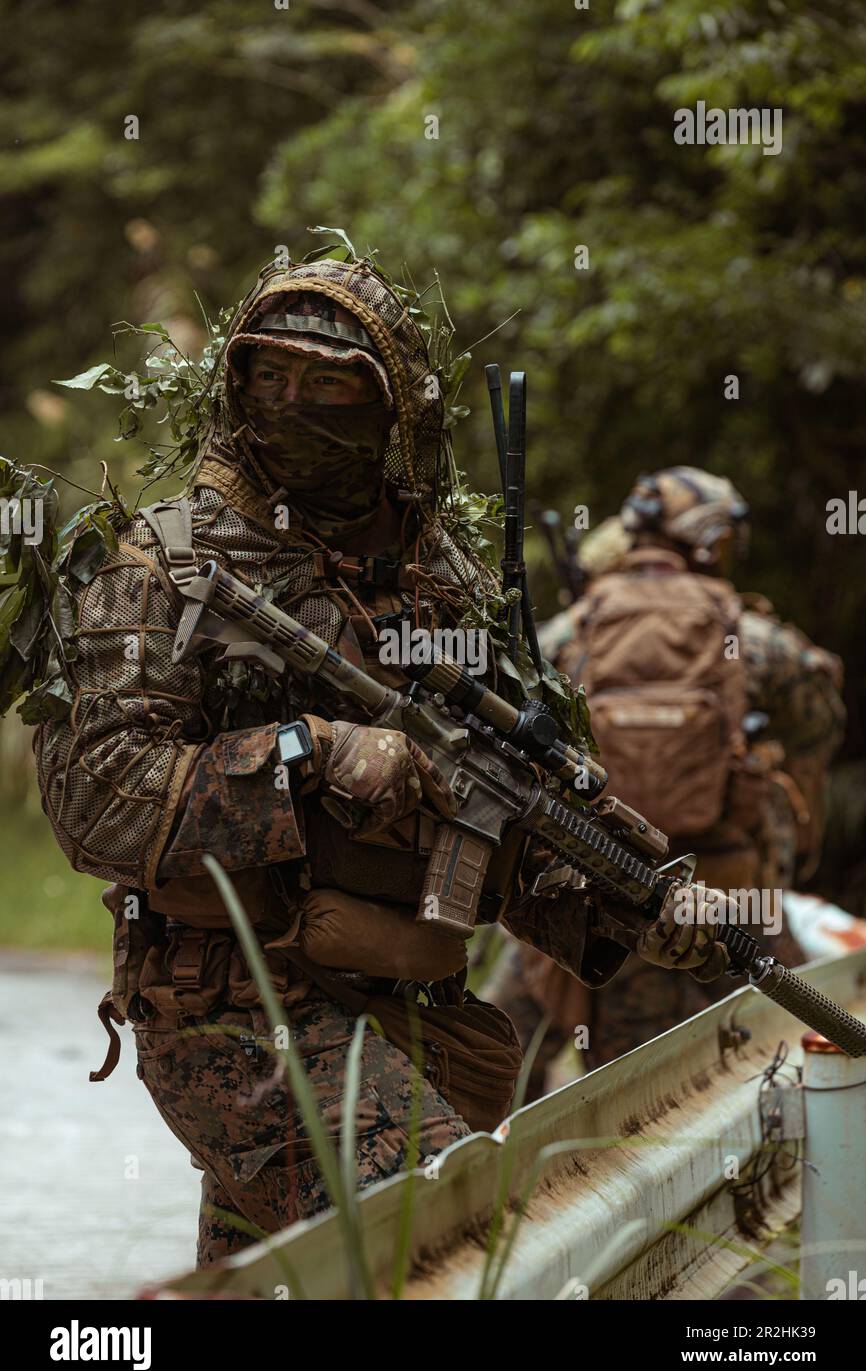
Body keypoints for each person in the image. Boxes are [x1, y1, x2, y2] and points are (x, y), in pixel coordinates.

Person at [34, 262, 731, 1266]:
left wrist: (629, 907)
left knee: (285, 1279)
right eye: (268, 379)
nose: (292, 408)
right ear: (234, 386)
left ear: (390, 402)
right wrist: (307, 751)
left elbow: (495, 806)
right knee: (456, 1249)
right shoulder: (169, 565)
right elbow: (97, 800)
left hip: (407, 1003)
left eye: (328, 386)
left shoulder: (432, 574)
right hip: (239, 1007)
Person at [486, 466, 846, 1096]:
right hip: (737, 908)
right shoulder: (747, 635)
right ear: (707, 540)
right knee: (791, 1063)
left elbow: (509, 728)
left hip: (597, 900)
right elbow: (820, 721)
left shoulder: (572, 633)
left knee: (525, 1069)